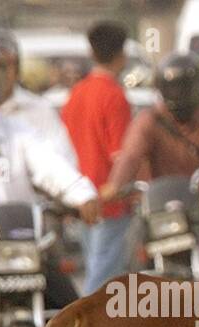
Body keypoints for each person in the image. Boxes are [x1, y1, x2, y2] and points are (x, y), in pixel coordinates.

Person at [0, 40, 98, 315]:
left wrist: (82, 193)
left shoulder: (17, 131)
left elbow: (50, 165)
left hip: (20, 239)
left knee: (74, 317)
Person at [101, 53, 199, 199]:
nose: (180, 95)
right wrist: (116, 185)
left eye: (185, 88)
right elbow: (130, 156)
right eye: (174, 89)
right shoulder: (151, 120)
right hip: (163, 206)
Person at [60, 21, 135, 295]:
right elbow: (121, 154)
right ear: (121, 55)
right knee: (103, 278)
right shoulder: (114, 96)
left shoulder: (77, 93)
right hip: (110, 200)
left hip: (82, 198)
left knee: (96, 268)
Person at [0, 27, 77, 165]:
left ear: (17, 67)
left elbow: (63, 162)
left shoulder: (40, 110)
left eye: (6, 65)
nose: (0, 73)